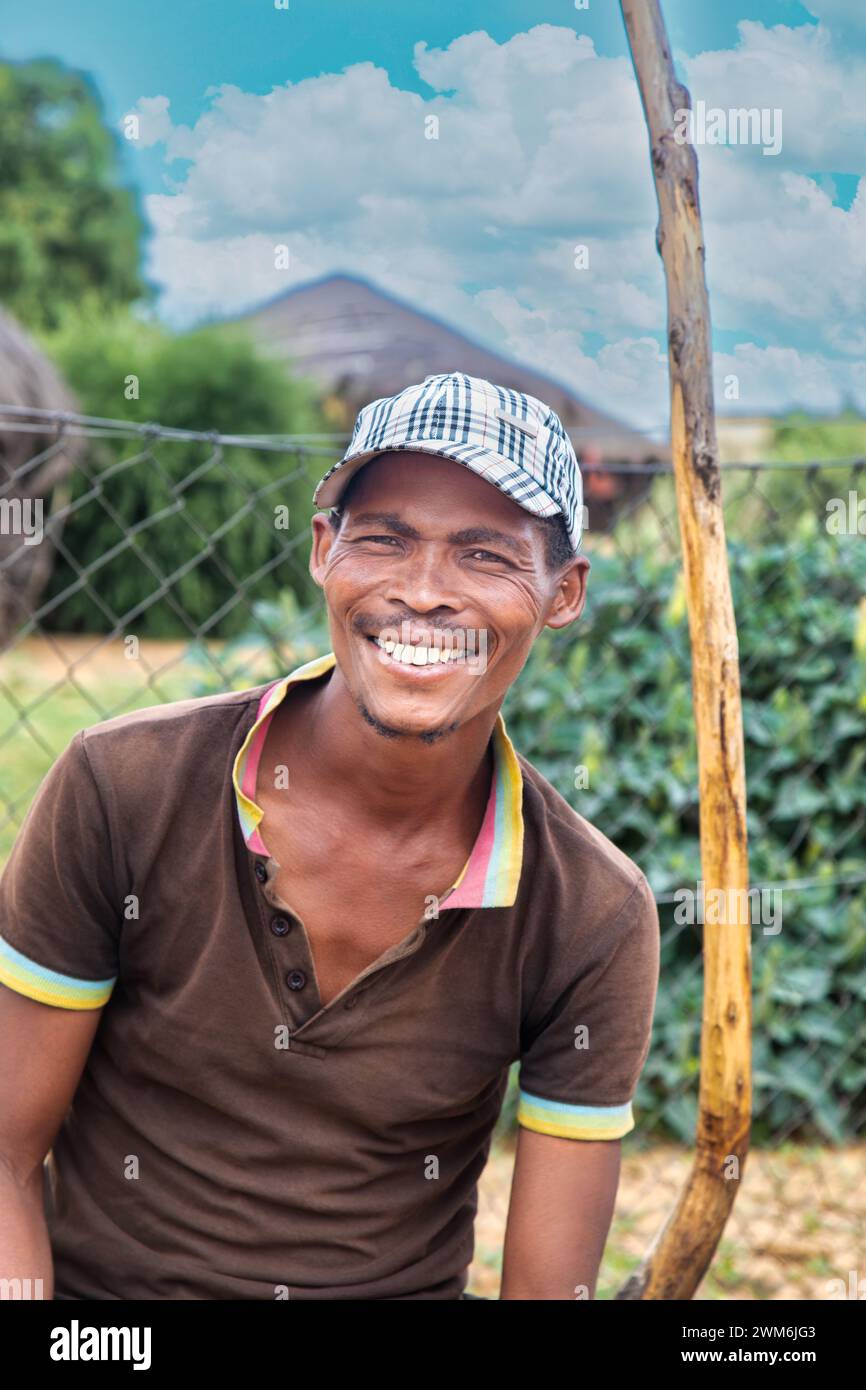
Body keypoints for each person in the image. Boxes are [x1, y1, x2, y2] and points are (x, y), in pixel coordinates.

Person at [0, 372, 659, 1301]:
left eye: (485, 555)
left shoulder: (589, 910)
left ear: (563, 593)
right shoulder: (126, 788)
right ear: (323, 550)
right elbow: (5, 1157)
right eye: (385, 539)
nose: (423, 593)